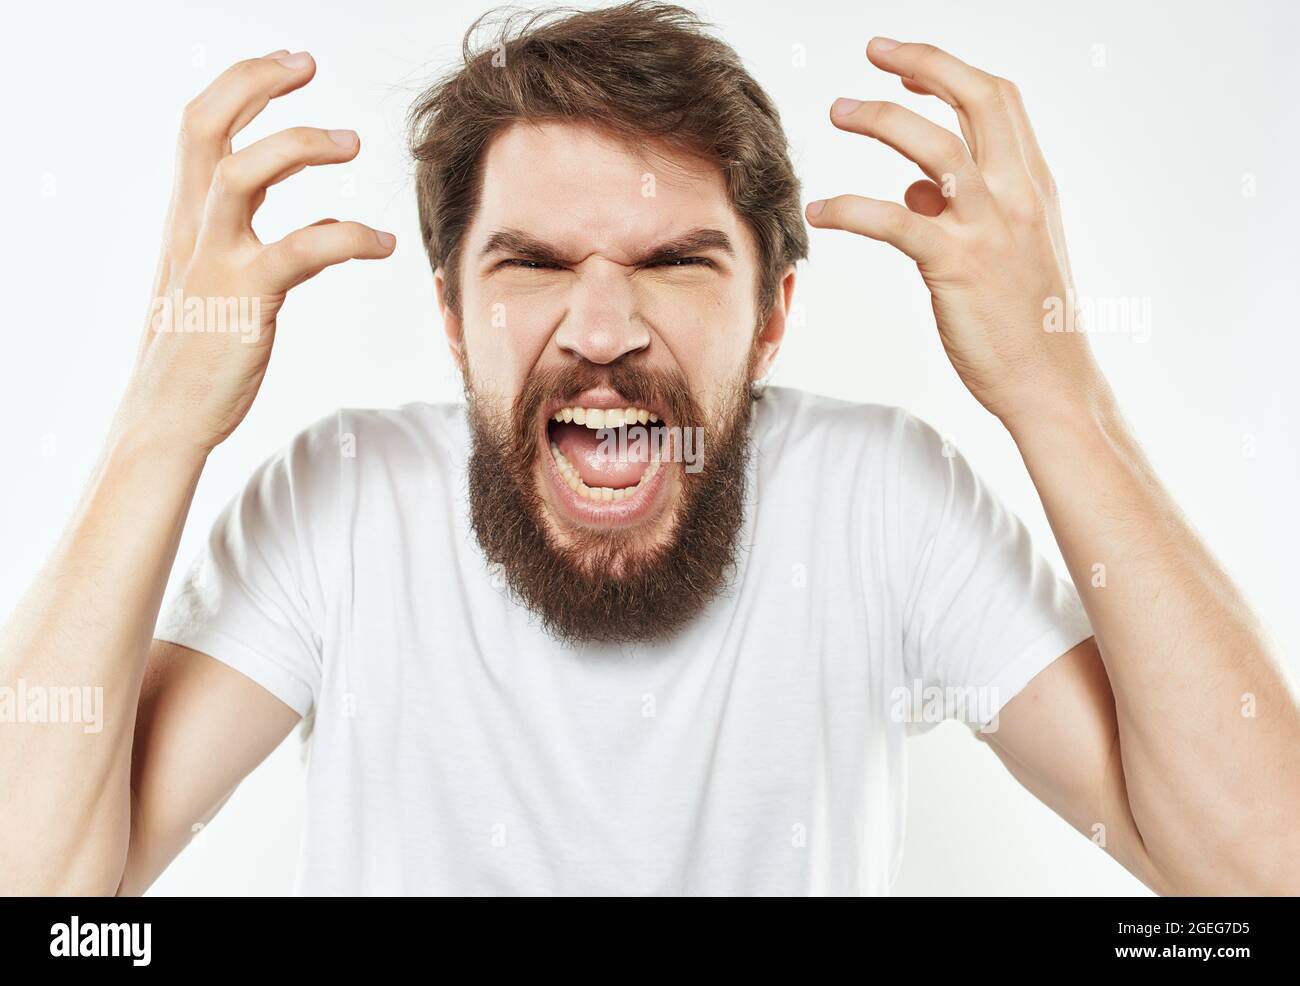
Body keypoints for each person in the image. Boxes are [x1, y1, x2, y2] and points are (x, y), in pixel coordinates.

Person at [2, 2, 1297, 896]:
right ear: (452, 318)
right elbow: (41, 883)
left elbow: (1256, 867)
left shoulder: (875, 498)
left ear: (775, 312)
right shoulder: (349, 502)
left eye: (677, 261)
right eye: (536, 263)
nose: (606, 327)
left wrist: (1053, 386)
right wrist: (161, 419)